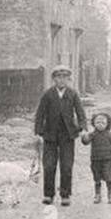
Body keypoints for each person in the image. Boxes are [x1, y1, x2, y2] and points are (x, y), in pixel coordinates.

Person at [34, 66, 86, 206]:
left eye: (64, 77)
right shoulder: (48, 94)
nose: (61, 80)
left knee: (66, 166)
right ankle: (48, 194)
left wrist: (82, 129)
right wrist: (38, 133)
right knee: (49, 166)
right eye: (58, 77)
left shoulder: (73, 94)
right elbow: (40, 115)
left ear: (68, 79)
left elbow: (80, 113)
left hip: (68, 135)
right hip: (50, 135)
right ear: (54, 79)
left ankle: (65, 194)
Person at [80, 112, 111, 204]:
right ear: (93, 123)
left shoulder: (110, 135)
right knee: (96, 178)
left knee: (108, 177)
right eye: (98, 122)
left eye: (103, 123)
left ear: (107, 124)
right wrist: (84, 137)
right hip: (95, 160)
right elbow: (86, 142)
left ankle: (110, 195)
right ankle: (97, 195)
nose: (100, 125)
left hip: (107, 160)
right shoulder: (93, 134)